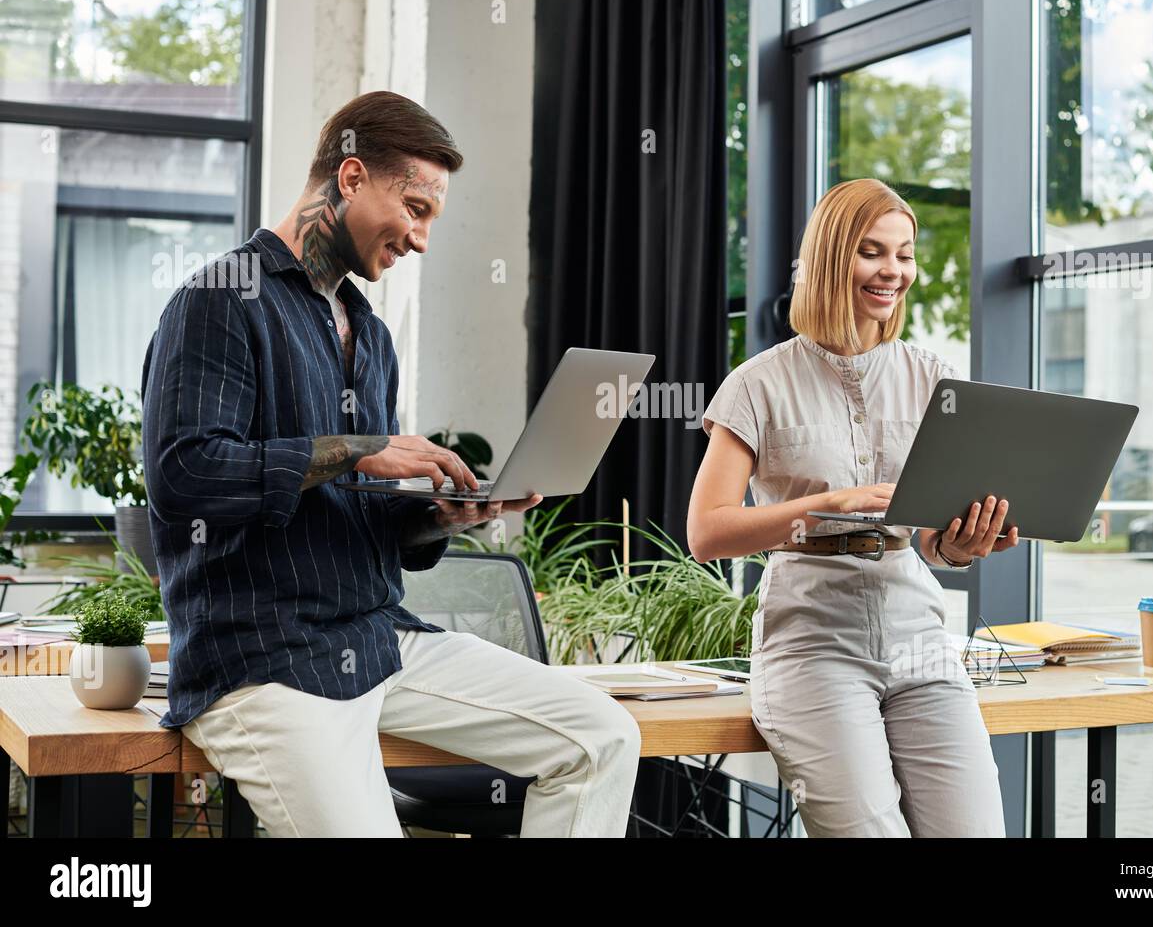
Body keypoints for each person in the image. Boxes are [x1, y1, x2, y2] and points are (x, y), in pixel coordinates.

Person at [141, 90, 641, 837]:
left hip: (382, 641)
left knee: (602, 738)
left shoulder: (368, 333)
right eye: (414, 208)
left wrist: (442, 518)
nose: (421, 238)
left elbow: (362, 512)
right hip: (265, 661)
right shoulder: (219, 300)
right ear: (350, 178)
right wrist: (361, 449)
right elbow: (184, 475)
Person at [687, 178, 1017, 837]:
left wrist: (959, 545)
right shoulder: (758, 383)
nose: (893, 270)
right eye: (872, 252)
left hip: (919, 639)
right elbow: (708, 532)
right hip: (812, 645)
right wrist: (830, 503)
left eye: (904, 254)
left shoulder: (934, 377)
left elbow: (933, 539)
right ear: (832, 259)